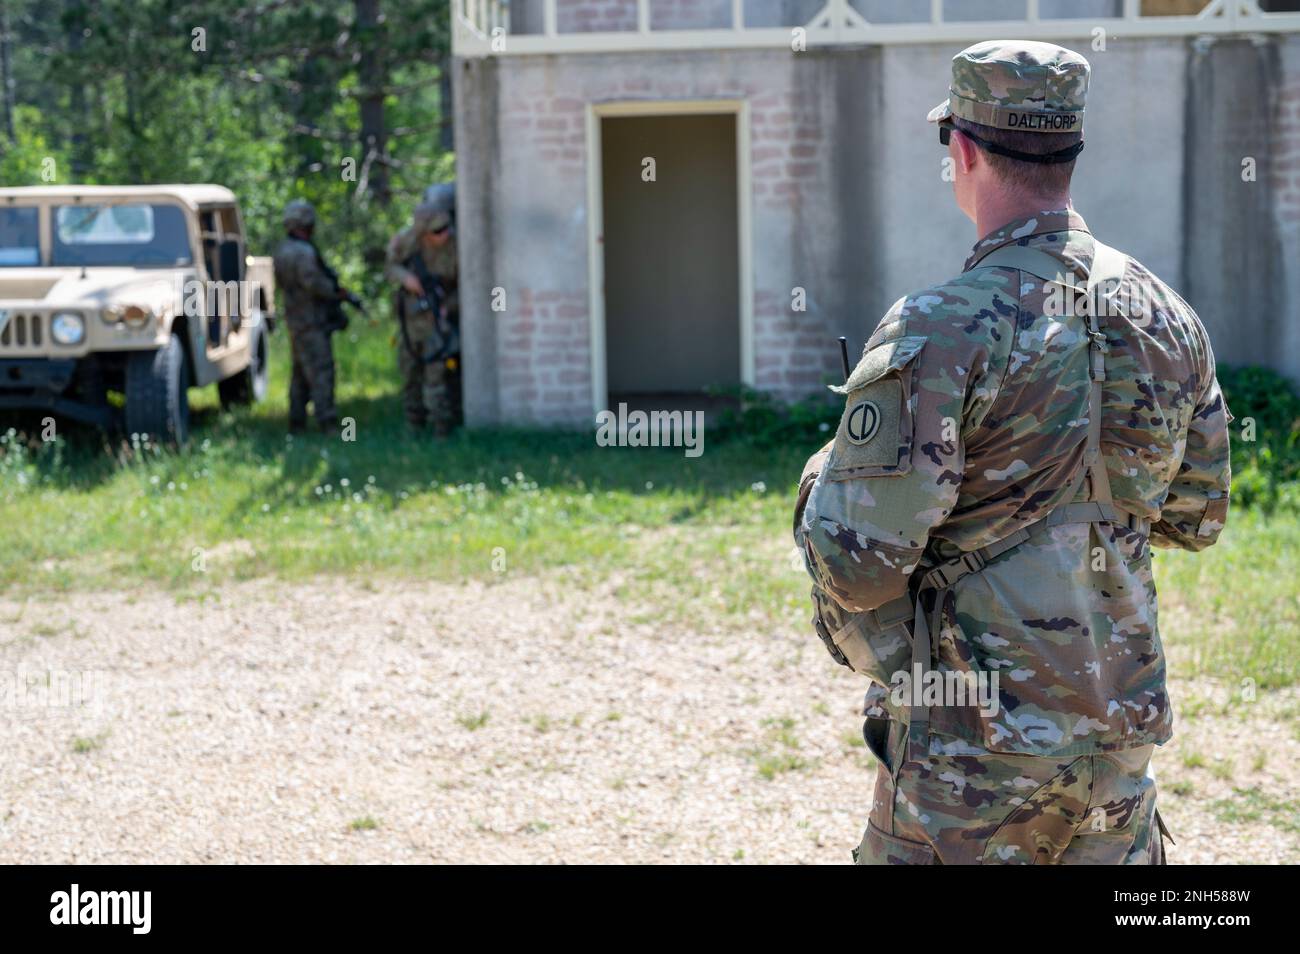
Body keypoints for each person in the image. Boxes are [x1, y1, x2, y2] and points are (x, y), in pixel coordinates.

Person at [794, 40, 1232, 865]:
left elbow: (856, 566)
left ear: (962, 150)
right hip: (1117, 745)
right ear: (1071, 150)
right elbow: (1197, 517)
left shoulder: (939, 328)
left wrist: (826, 479)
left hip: (971, 766)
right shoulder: (1171, 319)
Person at [272, 199, 351, 435]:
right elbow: (313, 283)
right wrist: (335, 292)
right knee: (321, 371)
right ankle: (326, 422)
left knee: (300, 375)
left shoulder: (282, 250)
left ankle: (296, 423)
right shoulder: (303, 252)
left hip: (296, 320)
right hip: (311, 321)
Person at [384, 193, 459, 435]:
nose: (444, 234)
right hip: (411, 319)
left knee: (436, 375)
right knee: (410, 373)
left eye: (446, 228)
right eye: (437, 232)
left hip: (439, 319)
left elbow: (470, 286)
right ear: (424, 233)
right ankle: (414, 426)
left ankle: (441, 428)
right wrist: (406, 279)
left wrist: (450, 306)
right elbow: (390, 267)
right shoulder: (409, 241)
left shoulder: (457, 246)